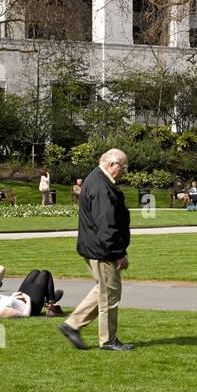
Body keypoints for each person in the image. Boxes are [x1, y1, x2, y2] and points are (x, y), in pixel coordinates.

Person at [59, 149, 132, 352]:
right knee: (110, 294)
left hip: (95, 246)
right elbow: (106, 224)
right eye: (124, 167)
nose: (125, 171)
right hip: (102, 250)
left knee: (104, 289)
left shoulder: (97, 179)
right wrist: (119, 253)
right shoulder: (101, 186)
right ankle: (107, 341)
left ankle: (72, 325)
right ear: (112, 165)